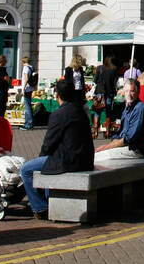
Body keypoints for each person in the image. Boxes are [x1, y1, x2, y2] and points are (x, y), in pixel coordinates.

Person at [20, 81, 94, 221]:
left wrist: (41, 157)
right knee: (46, 164)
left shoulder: (58, 114)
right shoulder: (81, 111)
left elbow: (48, 144)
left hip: (67, 161)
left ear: (57, 96)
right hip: (85, 159)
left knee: (26, 170)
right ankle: (47, 200)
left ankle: (40, 207)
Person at [95, 79, 144, 164]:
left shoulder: (140, 108)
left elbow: (129, 138)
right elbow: (120, 134)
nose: (128, 94)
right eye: (126, 91)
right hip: (129, 146)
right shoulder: (127, 108)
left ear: (138, 92)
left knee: (100, 156)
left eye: (132, 91)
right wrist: (107, 146)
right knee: (98, 154)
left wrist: (106, 147)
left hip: (137, 150)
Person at [95, 57, 121, 137]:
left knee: (97, 111)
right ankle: (107, 132)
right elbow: (115, 82)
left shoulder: (99, 68)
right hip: (109, 92)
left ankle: (95, 132)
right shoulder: (114, 69)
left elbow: (95, 80)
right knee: (108, 111)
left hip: (99, 92)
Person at [20, 55, 36, 130]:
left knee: (27, 106)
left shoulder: (25, 68)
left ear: (23, 62)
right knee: (28, 105)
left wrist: (23, 88)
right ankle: (27, 122)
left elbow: (26, 78)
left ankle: (29, 123)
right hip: (30, 88)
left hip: (26, 88)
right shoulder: (31, 67)